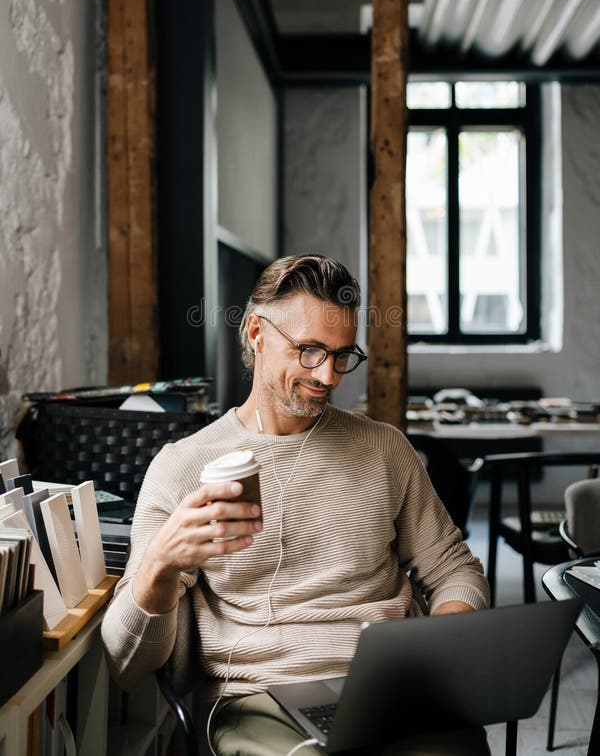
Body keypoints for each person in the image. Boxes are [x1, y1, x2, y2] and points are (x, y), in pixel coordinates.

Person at [102, 254, 491, 756]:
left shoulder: (385, 449)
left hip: (393, 688)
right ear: (257, 333)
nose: (328, 375)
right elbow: (126, 664)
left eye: (343, 354)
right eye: (309, 350)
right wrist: (160, 561)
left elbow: (454, 570)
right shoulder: (184, 466)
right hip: (259, 699)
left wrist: (436, 651)